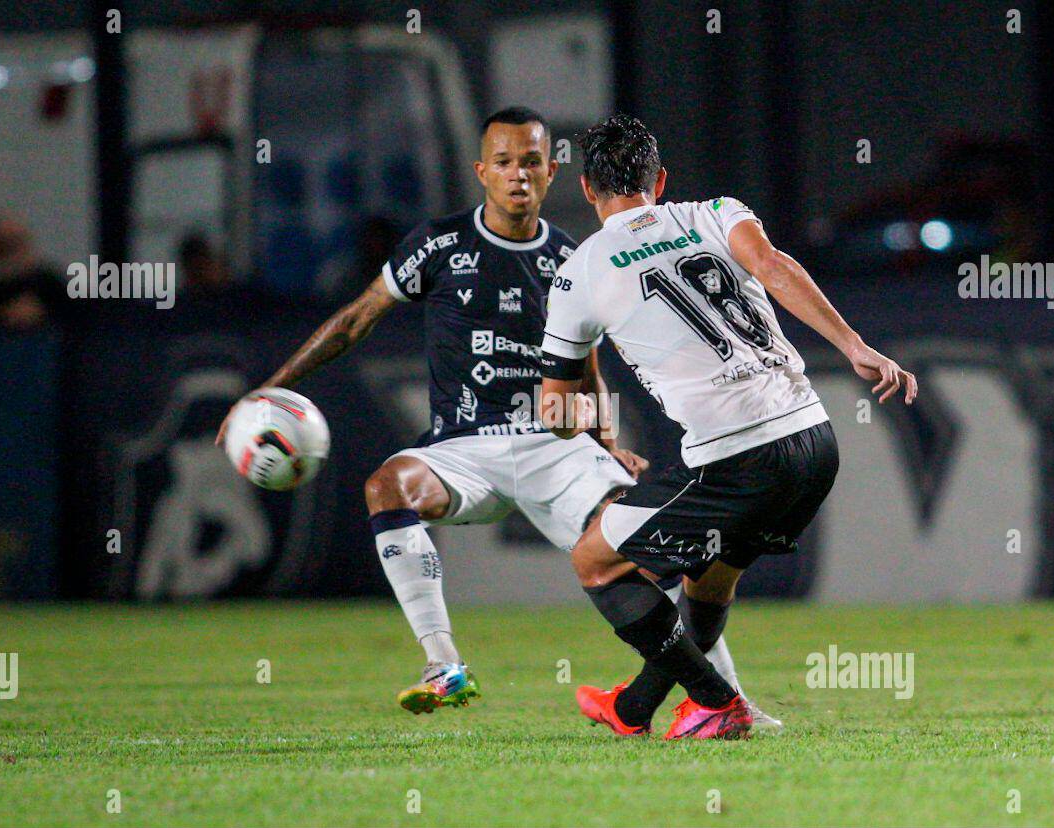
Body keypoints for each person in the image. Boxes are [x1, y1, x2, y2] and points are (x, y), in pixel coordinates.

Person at [217, 107, 773, 720]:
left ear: (553, 172)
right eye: (504, 163)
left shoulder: (572, 257)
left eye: (531, 163)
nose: (518, 176)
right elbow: (355, 319)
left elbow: (588, 364)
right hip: (462, 449)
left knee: (650, 553)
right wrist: (265, 390)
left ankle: (726, 698)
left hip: (556, 448)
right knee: (386, 485)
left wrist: (607, 439)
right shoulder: (439, 245)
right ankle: (443, 663)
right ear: (482, 171)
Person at [538, 115, 918, 739]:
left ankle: (719, 702)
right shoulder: (715, 211)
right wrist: (854, 347)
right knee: (709, 579)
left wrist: (582, 430)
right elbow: (770, 267)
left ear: (585, 189)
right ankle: (633, 708)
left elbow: (557, 410)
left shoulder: (577, 272)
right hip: (814, 441)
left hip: (742, 455)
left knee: (595, 561)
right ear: (658, 180)